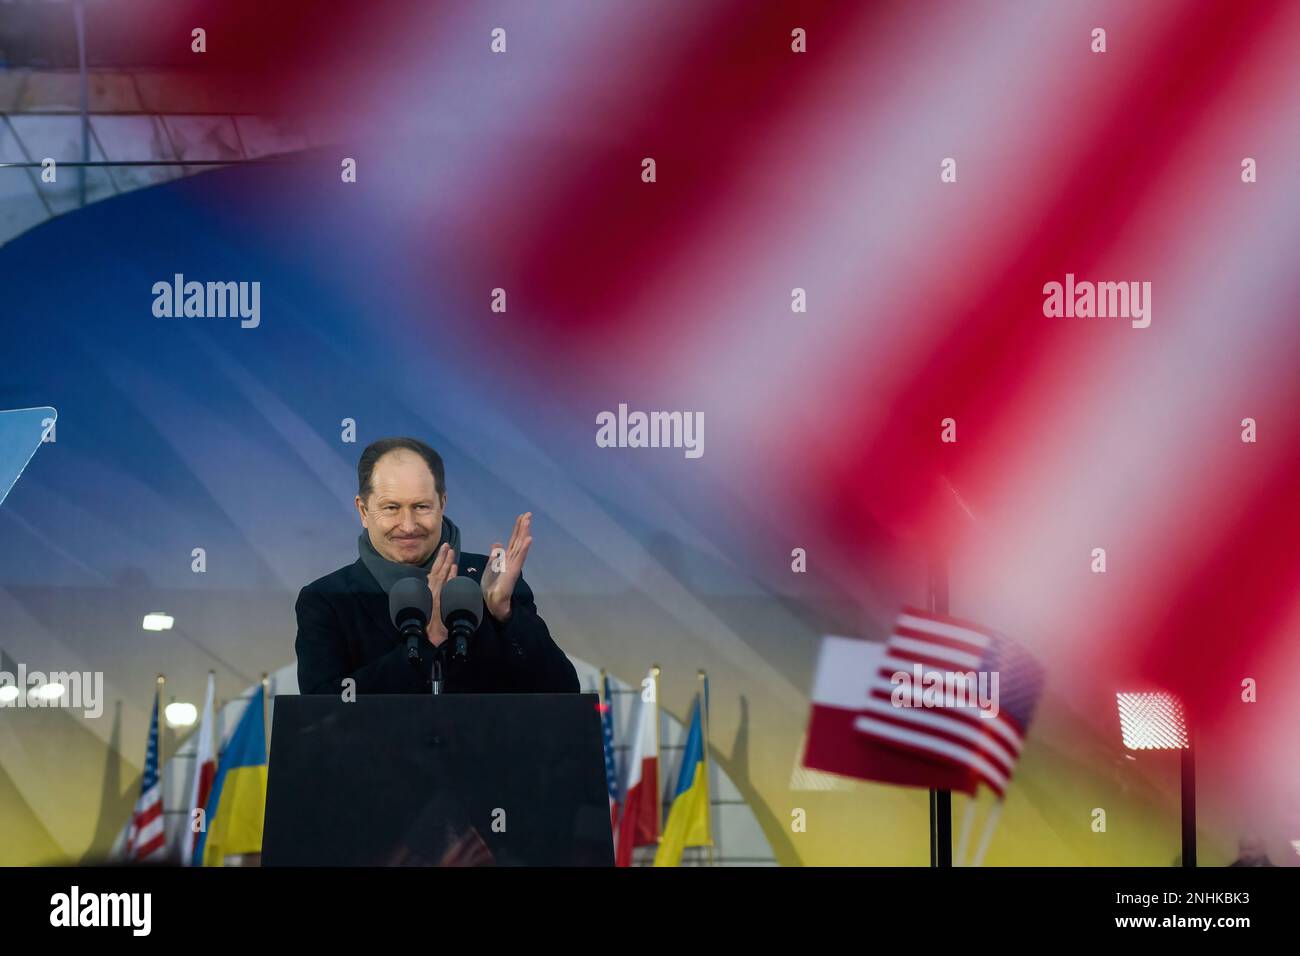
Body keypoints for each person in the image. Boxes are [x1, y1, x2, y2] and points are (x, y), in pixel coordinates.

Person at [295, 437, 579, 695]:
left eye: (421, 507)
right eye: (391, 507)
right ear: (363, 510)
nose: (407, 526)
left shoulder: (492, 580)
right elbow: (320, 714)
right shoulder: (327, 599)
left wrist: (505, 615)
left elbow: (563, 692)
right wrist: (422, 646)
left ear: (442, 503)